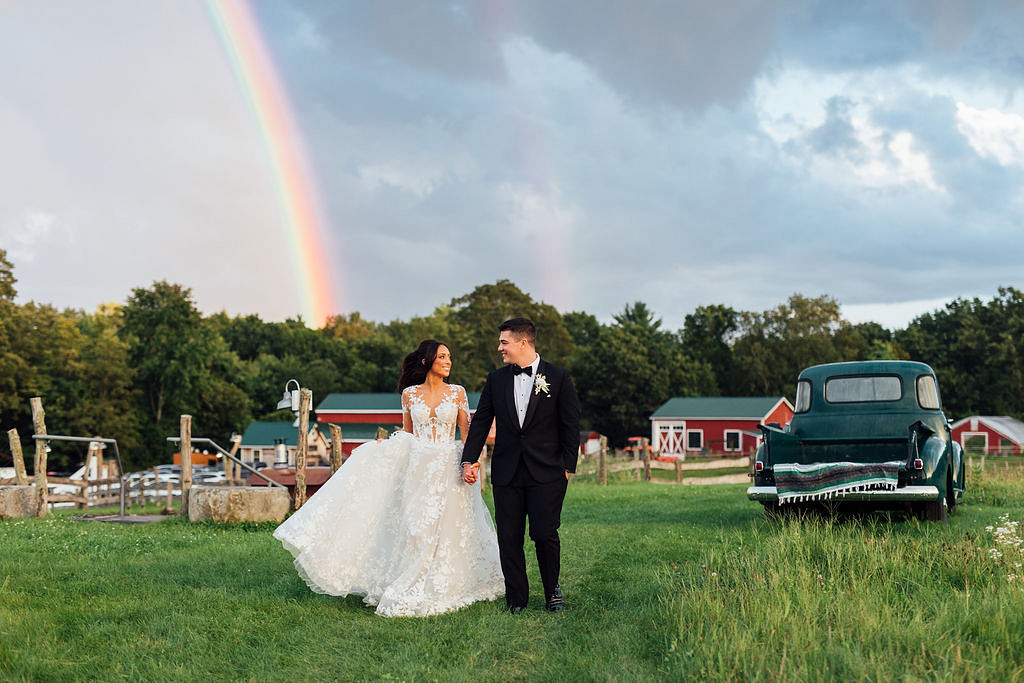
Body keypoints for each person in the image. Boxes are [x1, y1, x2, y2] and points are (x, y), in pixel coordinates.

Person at [273, 340, 503, 617]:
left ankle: (448, 579)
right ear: (426, 361)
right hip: (418, 468)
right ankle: (414, 575)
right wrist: (383, 450)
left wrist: (472, 463)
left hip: (449, 465)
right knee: (418, 525)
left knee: (450, 527)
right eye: (442, 356)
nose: (448, 361)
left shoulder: (457, 393)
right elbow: (407, 434)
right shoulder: (409, 395)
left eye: (449, 357)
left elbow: (467, 432)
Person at [461, 317, 580, 613]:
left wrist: (566, 467)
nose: (500, 348)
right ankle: (517, 598)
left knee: (544, 533)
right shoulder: (496, 379)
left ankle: (552, 589)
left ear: (523, 343)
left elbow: (571, 425)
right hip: (507, 472)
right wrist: (468, 459)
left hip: (548, 472)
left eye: (504, 342)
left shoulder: (559, 377)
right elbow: (481, 424)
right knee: (509, 536)